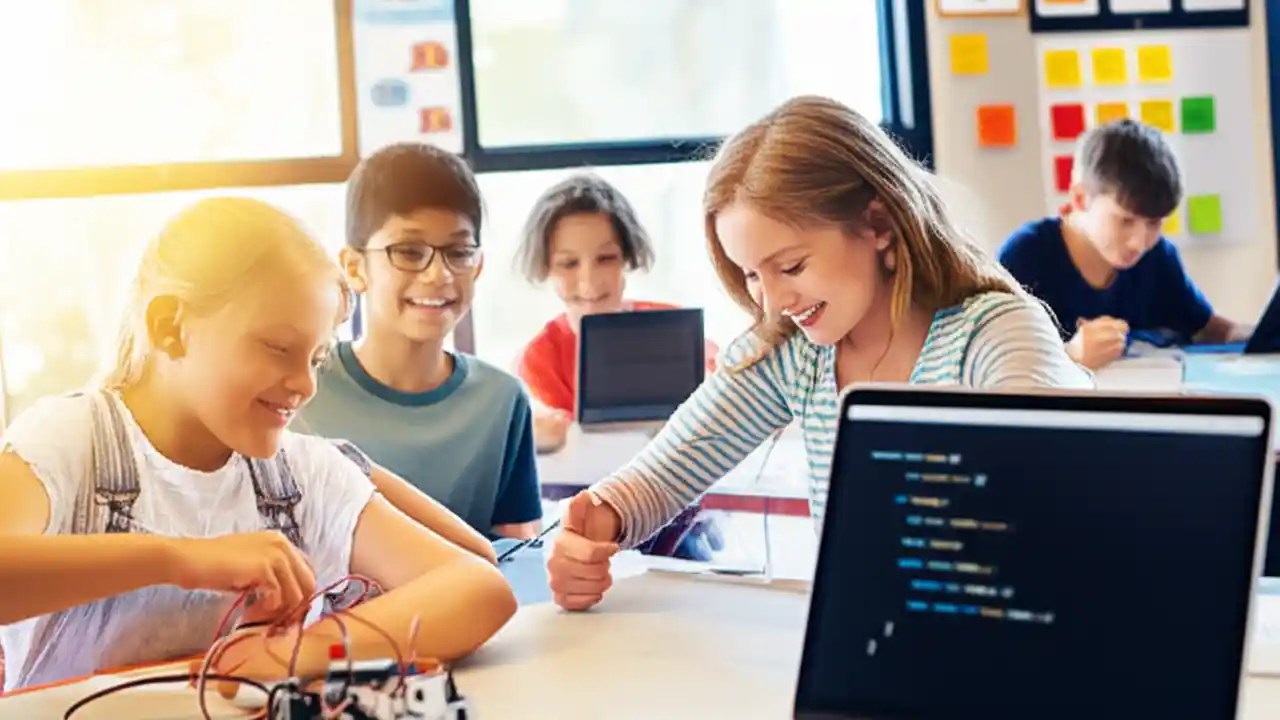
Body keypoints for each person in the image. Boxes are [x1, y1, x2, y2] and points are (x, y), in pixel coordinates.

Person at [545, 95, 1093, 611]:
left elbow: (1056, 490)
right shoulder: (797, 352)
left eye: (791, 267)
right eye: (751, 275)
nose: (776, 302)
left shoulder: (991, 332)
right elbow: (667, 472)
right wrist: (600, 520)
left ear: (877, 223)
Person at [0, 198, 515, 691]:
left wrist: (296, 653)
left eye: (315, 358)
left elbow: (479, 589)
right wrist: (182, 560)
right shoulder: (71, 438)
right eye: (278, 348)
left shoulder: (303, 474)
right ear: (170, 327)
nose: (306, 385)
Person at [296, 142, 542, 541]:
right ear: (355, 268)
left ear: (477, 265)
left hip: (467, 600)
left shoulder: (502, 401)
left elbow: (517, 550)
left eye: (458, 252)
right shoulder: (302, 393)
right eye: (409, 252)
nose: (437, 274)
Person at [998, 119, 1246, 369]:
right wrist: (1069, 356)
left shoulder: (1158, 256)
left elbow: (1206, 327)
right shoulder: (1027, 256)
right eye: (1125, 221)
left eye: (1154, 223)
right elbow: (992, 363)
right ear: (1081, 198)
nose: (1139, 243)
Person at [513, 173, 719, 452]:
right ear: (545, 266)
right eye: (568, 263)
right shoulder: (540, 358)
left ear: (627, 256)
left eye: (606, 259)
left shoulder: (674, 330)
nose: (589, 282)